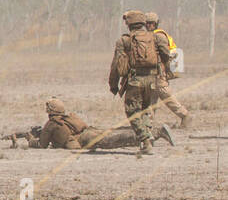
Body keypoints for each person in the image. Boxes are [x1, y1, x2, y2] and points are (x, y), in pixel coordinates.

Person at [108, 9, 171, 156]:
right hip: (153, 80)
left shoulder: (124, 40)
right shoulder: (156, 38)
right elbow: (166, 55)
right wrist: (165, 73)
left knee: (132, 111)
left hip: (134, 81)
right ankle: (148, 135)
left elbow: (116, 65)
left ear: (129, 24)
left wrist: (113, 84)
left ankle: (146, 140)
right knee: (146, 109)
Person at [38, 98, 173, 151]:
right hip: (90, 131)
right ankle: (152, 132)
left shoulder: (52, 124)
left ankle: (153, 134)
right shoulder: (68, 117)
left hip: (85, 139)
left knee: (114, 141)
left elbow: (42, 144)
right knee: (115, 132)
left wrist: (30, 140)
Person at [145, 12, 190, 128]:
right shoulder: (149, 36)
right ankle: (148, 124)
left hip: (159, 73)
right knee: (150, 100)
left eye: (151, 23)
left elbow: (165, 53)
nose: (149, 25)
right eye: (147, 23)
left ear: (156, 24)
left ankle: (185, 115)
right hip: (151, 75)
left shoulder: (159, 36)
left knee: (166, 96)